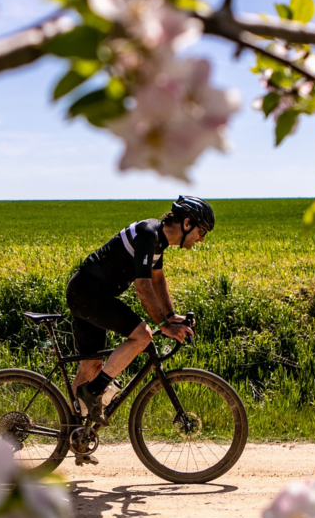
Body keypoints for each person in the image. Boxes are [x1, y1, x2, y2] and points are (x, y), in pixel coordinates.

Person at [65, 196, 215, 462]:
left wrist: (171, 315)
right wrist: (164, 326)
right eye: (201, 231)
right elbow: (142, 287)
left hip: (90, 294)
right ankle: (94, 392)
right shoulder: (149, 234)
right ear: (187, 223)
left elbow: (157, 279)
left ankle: (75, 436)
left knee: (90, 367)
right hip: (88, 293)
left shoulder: (157, 239)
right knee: (142, 335)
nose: (201, 239)